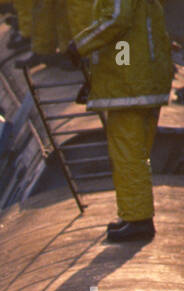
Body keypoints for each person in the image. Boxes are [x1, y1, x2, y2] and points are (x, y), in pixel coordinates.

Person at [64, 0, 172, 243]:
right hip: (147, 77)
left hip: (129, 81)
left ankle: (138, 220)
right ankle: (132, 215)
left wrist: (79, 45)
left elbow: (116, 19)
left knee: (128, 153)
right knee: (137, 153)